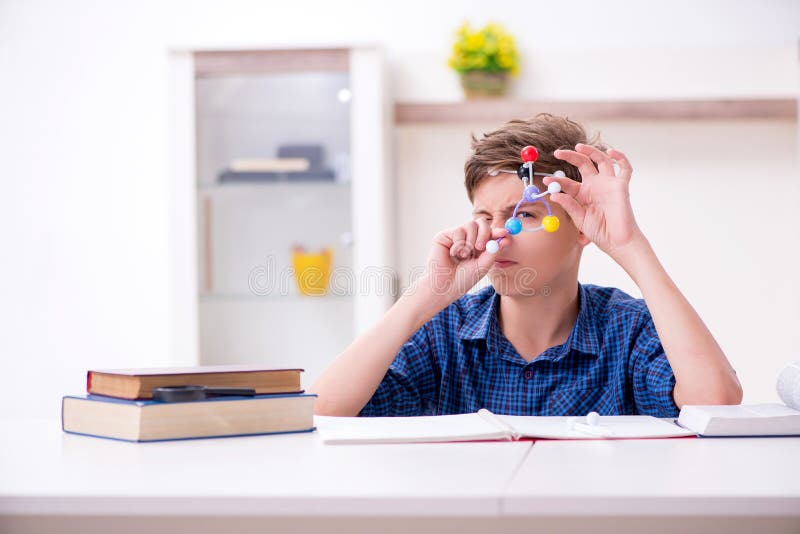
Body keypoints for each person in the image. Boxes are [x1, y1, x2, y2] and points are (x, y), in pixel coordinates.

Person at [311, 113, 742, 417]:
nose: (498, 235)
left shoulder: (625, 329)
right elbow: (322, 411)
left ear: (580, 227)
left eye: (525, 216)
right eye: (484, 217)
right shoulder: (444, 331)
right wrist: (426, 295)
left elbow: (716, 402)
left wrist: (631, 246)